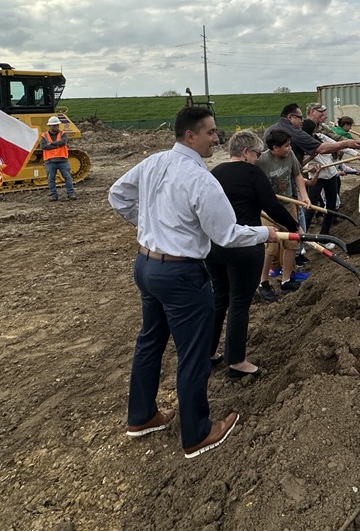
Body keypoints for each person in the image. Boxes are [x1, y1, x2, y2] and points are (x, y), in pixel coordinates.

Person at [108, 108, 277, 459]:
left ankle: (141, 417)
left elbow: (118, 195)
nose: (217, 138)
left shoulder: (154, 162)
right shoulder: (201, 179)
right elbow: (227, 234)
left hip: (146, 264)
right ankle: (197, 433)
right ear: (191, 136)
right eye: (211, 132)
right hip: (181, 275)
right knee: (194, 354)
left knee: (150, 342)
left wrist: (148, 228)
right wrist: (266, 232)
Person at [207, 131, 299, 377]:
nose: (258, 159)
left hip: (215, 246)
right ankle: (236, 362)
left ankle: (209, 352)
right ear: (246, 152)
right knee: (239, 303)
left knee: (219, 299)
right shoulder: (252, 172)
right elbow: (271, 206)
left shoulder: (215, 173)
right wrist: (293, 226)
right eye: (257, 154)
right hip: (244, 247)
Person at [256, 129, 311, 294]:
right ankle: (262, 282)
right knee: (271, 246)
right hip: (268, 209)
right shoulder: (263, 160)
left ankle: (286, 280)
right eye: (286, 146)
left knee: (292, 243)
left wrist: (304, 196)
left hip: (288, 206)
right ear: (274, 148)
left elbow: (297, 175)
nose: (289, 148)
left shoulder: (290, 155)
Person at [265, 103, 360, 161]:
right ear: (291, 117)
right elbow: (321, 148)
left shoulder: (271, 129)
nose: (302, 121)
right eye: (300, 118)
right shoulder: (294, 132)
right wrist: (347, 143)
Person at [40, 116, 76, 201]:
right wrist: (57, 145)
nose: (56, 127)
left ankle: (71, 194)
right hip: (50, 161)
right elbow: (43, 146)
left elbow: (63, 142)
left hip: (62, 160)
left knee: (67, 177)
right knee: (51, 179)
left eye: (57, 125)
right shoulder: (44, 136)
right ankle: (53, 195)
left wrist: (51, 143)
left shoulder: (63, 134)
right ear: (50, 126)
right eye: (54, 125)